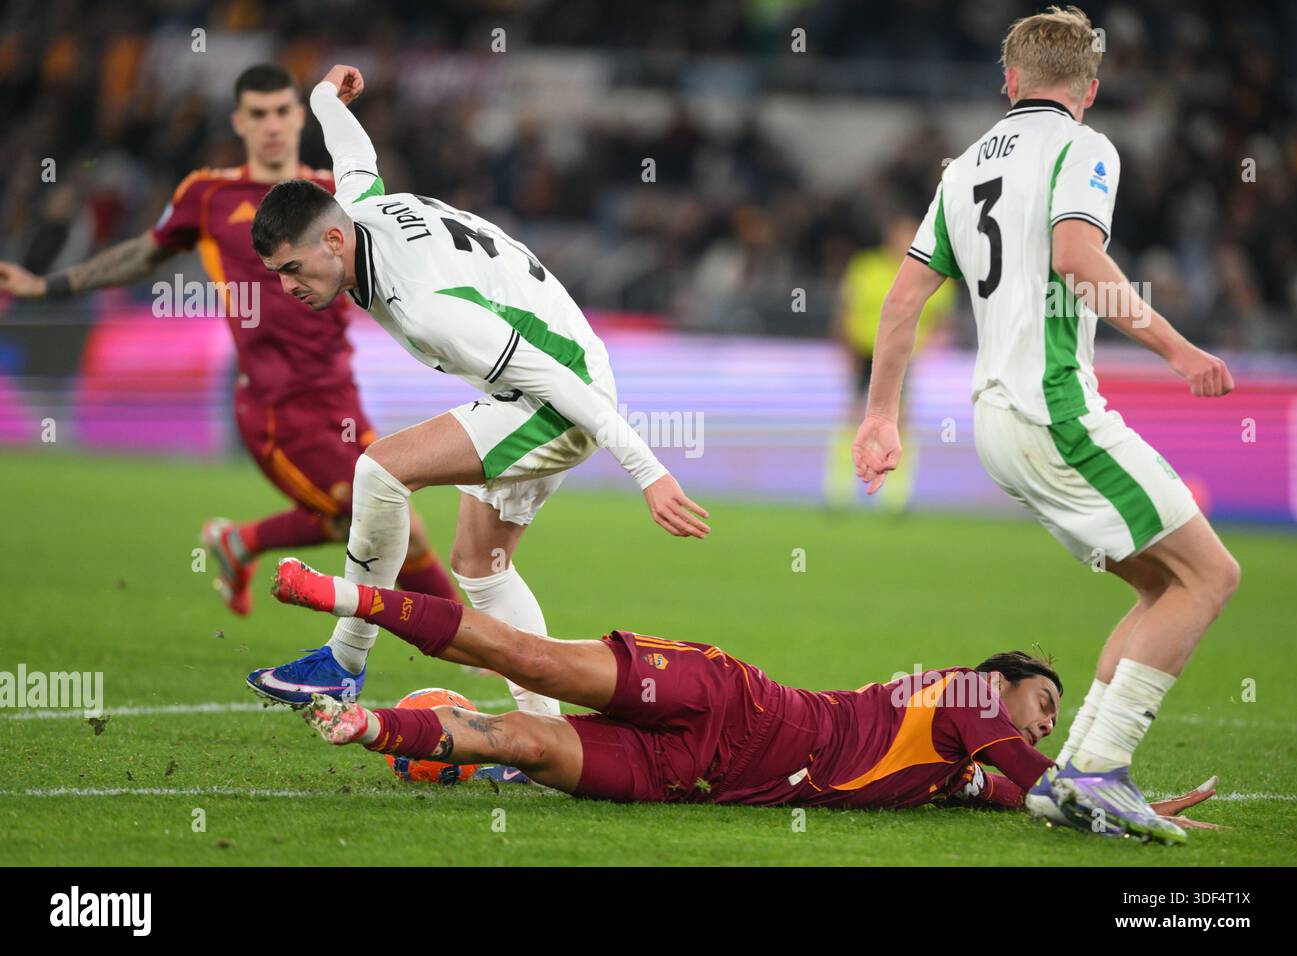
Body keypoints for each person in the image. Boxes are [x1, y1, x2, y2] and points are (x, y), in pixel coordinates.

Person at [850, 6, 1239, 843]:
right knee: (1213, 577)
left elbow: (906, 296)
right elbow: (1075, 255)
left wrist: (881, 415)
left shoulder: (960, 170)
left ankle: (1078, 780)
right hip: (1056, 409)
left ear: (1010, 80)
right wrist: (1176, 347)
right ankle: (1101, 772)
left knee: (1163, 585)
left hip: (996, 422)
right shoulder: (1084, 146)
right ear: (1090, 89)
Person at [245, 66, 708, 716]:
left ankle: (344, 660)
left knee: (378, 471)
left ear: (331, 240)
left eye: (293, 269)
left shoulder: (429, 304)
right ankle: (545, 733)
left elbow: (552, 380)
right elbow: (353, 152)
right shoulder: (357, 213)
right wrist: (325, 97)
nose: (289, 286)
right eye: (277, 274)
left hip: (557, 395)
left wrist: (648, 470)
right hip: (547, 376)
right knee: (481, 568)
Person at [271, 558, 1217, 833]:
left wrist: (1119, 805)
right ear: (1002, 682)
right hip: (736, 702)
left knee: (522, 743)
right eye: (1042, 700)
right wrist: (1105, 792)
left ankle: (368, 723)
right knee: (537, 661)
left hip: (696, 778)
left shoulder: (972, 765)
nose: (1045, 719)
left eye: (1053, 715)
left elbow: (1029, 799)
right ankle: (347, 598)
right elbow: (1045, 784)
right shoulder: (969, 698)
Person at [0, 63, 456, 618]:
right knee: (393, 523)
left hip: (340, 393)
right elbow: (143, 253)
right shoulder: (209, 194)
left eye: (283, 111)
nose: (272, 125)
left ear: (299, 115)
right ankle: (480, 647)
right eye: (258, 114)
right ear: (239, 121)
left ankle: (240, 542)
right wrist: (45, 285)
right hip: (274, 406)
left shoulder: (336, 192)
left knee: (368, 517)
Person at [825, 211, 954, 511]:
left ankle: (896, 497)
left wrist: (927, 345)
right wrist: (846, 345)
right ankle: (839, 490)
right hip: (864, 352)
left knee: (901, 421)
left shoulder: (932, 272)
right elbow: (846, 308)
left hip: (902, 358)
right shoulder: (867, 267)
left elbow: (941, 319)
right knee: (854, 416)